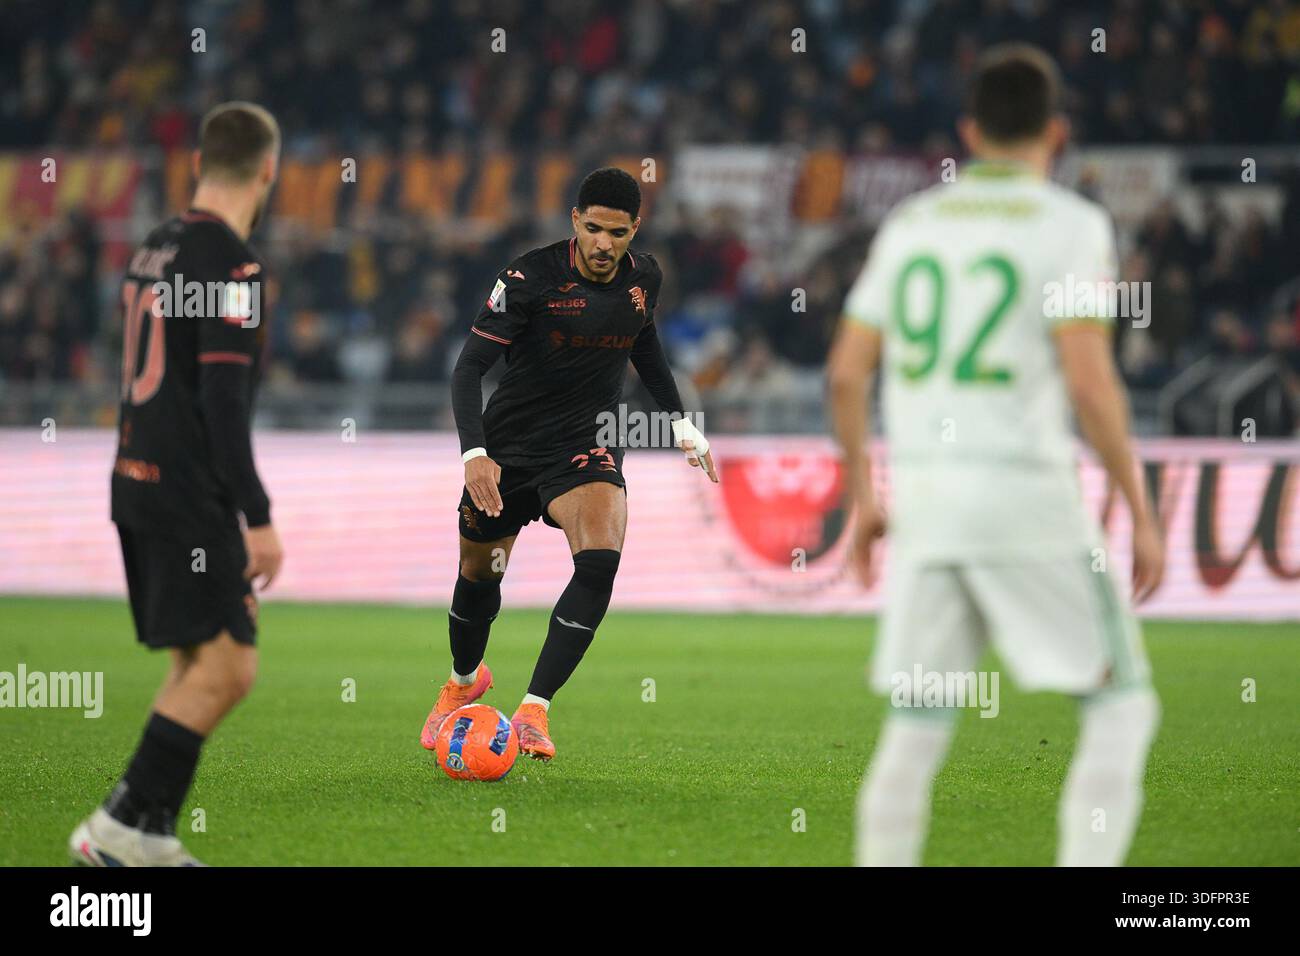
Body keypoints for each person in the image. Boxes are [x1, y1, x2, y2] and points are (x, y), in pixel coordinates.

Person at [828, 45, 1163, 867]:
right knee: (1122, 708)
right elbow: (1090, 384)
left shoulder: (912, 223)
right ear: (1057, 132)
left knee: (915, 727)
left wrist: (865, 499)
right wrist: (1140, 508)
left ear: (968, 131)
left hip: (930, 508)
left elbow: (844, 371)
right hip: (1026, 499)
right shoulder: (1073, 225)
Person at [421, 167, 715, 762]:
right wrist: (475, 455)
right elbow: (469, 367)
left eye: (618, 232)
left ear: (636, 228)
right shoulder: (529, 277)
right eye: (593, 229)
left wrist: (680, 421)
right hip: (508, 448)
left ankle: (535, 709)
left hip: (586, 443)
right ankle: (464, 680)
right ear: (574, 221)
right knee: (479, 580)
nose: (605, 244)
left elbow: (645, 342)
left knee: (601, 560)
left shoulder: (645, 278)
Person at [70, 102, 284, 866]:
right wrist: (256, 515)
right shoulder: (234, 266)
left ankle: (150, 835)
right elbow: (223, 403)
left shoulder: (151, 247)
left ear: (199, 163)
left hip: (132, 476)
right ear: (268, 170)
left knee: (196, 663)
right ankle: (117, 827)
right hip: (186, 488)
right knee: (229, 666)